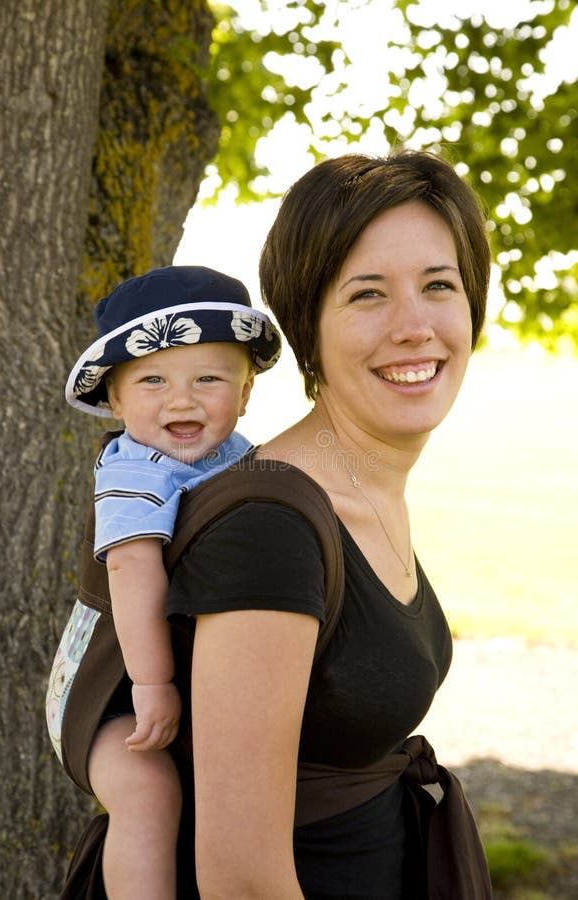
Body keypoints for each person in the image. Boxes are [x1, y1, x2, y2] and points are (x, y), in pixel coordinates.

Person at [165, 150, 493, 898]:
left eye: (439, 285)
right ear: (308, 325)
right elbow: (242, 878)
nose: (415, 326)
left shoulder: (368, 488)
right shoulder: (269, 526)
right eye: (367, 295)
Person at [45, 264, 281, 899]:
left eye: (209, 378)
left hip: (158, 670)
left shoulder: (234, 455)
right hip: (108, 687)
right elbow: (130, 569)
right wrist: (153, 684)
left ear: (246, 391)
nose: (182, 400)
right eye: (153, 380)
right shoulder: (137, 471)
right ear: (116, 402)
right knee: (149, 792)